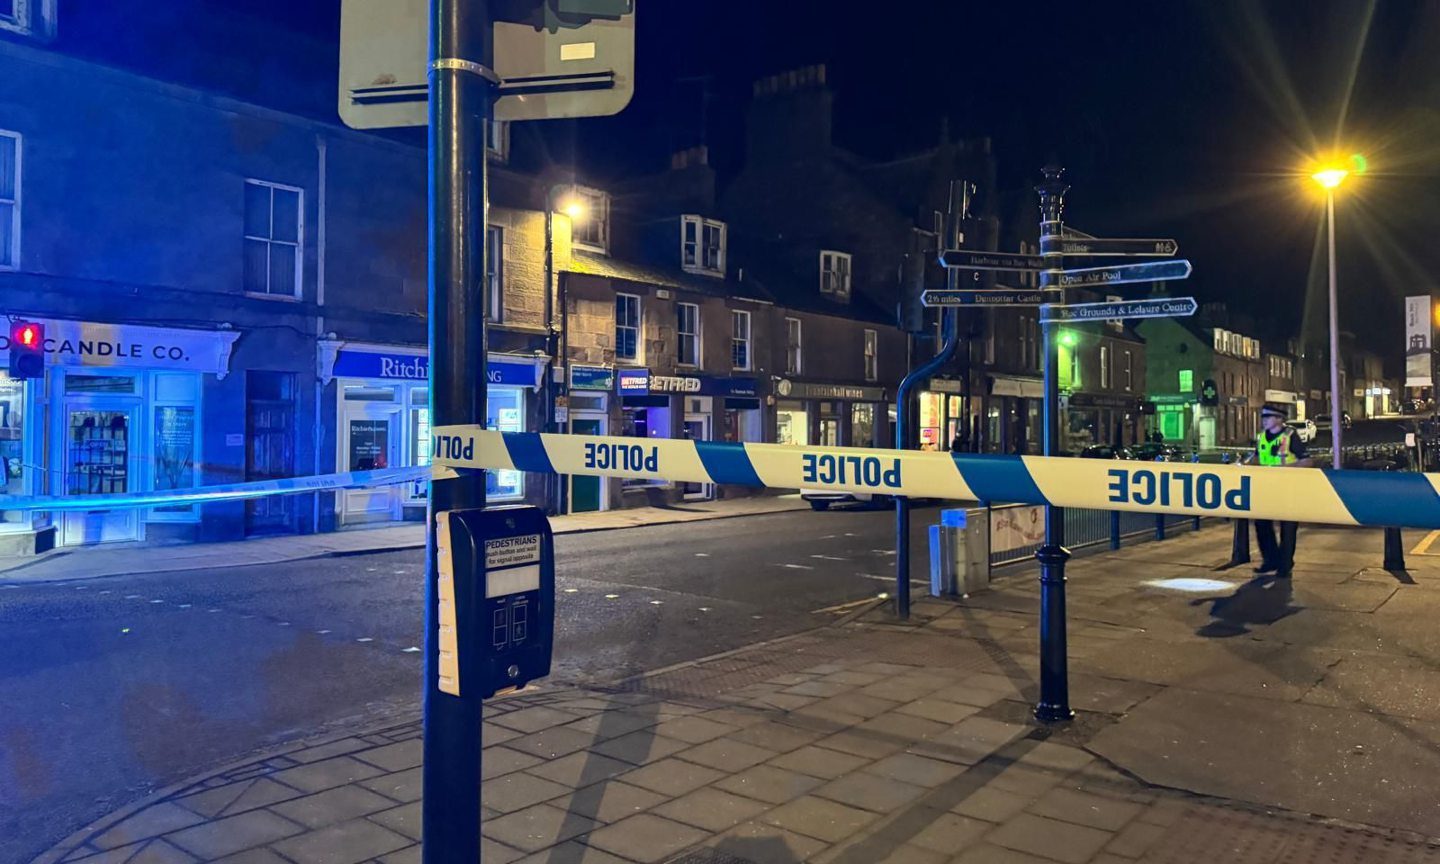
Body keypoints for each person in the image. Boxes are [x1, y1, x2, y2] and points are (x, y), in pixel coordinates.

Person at [1245, 403, 1314, 576]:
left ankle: (1285, 564)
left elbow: (1307, 461)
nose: (1264, 421)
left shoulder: (1291, 436)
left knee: (1288, 527)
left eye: (1267, 417)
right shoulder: (1261, 437)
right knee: (1261, 524)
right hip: (1266, 488)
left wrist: (1287, 469)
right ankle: (1270, 560)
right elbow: (1257, 457)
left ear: (1279, 419)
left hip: (1289, 488)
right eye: (1263, 417)